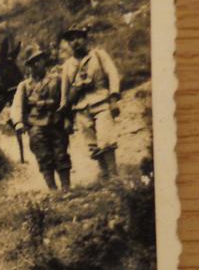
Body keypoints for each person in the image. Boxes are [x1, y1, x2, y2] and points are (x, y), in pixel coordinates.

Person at [59, 26, 122, 178]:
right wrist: (66, 116)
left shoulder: (99, 55)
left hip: (101, 103)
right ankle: (104, 174)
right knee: (92, 146)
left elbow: (112, 74)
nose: (75, 42)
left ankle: (114, 175)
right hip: (81, 110)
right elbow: (64, 94)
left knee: (106, 140)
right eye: (71, 39)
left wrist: (114, 98)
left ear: (85, 39)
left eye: (78, 37)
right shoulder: (67, 65)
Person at [12, 44, 71, 191]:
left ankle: (66, 187)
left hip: (56, 122)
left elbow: (65, 99)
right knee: (43, 157)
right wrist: (19, 122)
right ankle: (52, 188)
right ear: (29, 66)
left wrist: (68, 118)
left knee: (61, 153)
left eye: (39, 60)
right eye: (33, 62)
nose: (37, 64)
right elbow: (17, 105)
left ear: (44, 61)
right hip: (36, 125)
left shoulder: (56, 79)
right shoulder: (24, 86)